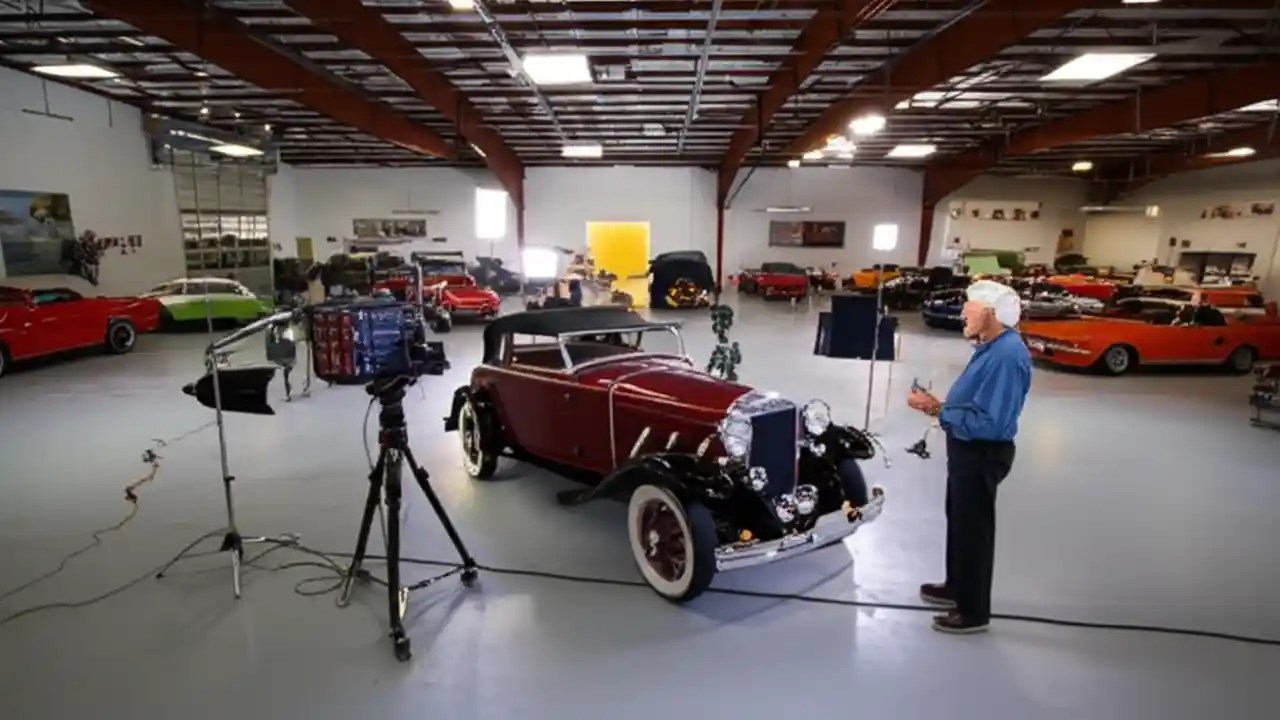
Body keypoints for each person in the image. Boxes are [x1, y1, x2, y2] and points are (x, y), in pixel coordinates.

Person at [907, 280, 1031, 634]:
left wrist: (936, 409)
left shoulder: (1007, 356)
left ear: (990, 313)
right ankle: (957, 586)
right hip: (966, 449)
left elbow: (990, 423)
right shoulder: (990, 347)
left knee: (974, 530)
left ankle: (973, 611)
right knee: (960, 520)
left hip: (981, 451)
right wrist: (942, 405)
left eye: (970, 307)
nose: (963, 312)